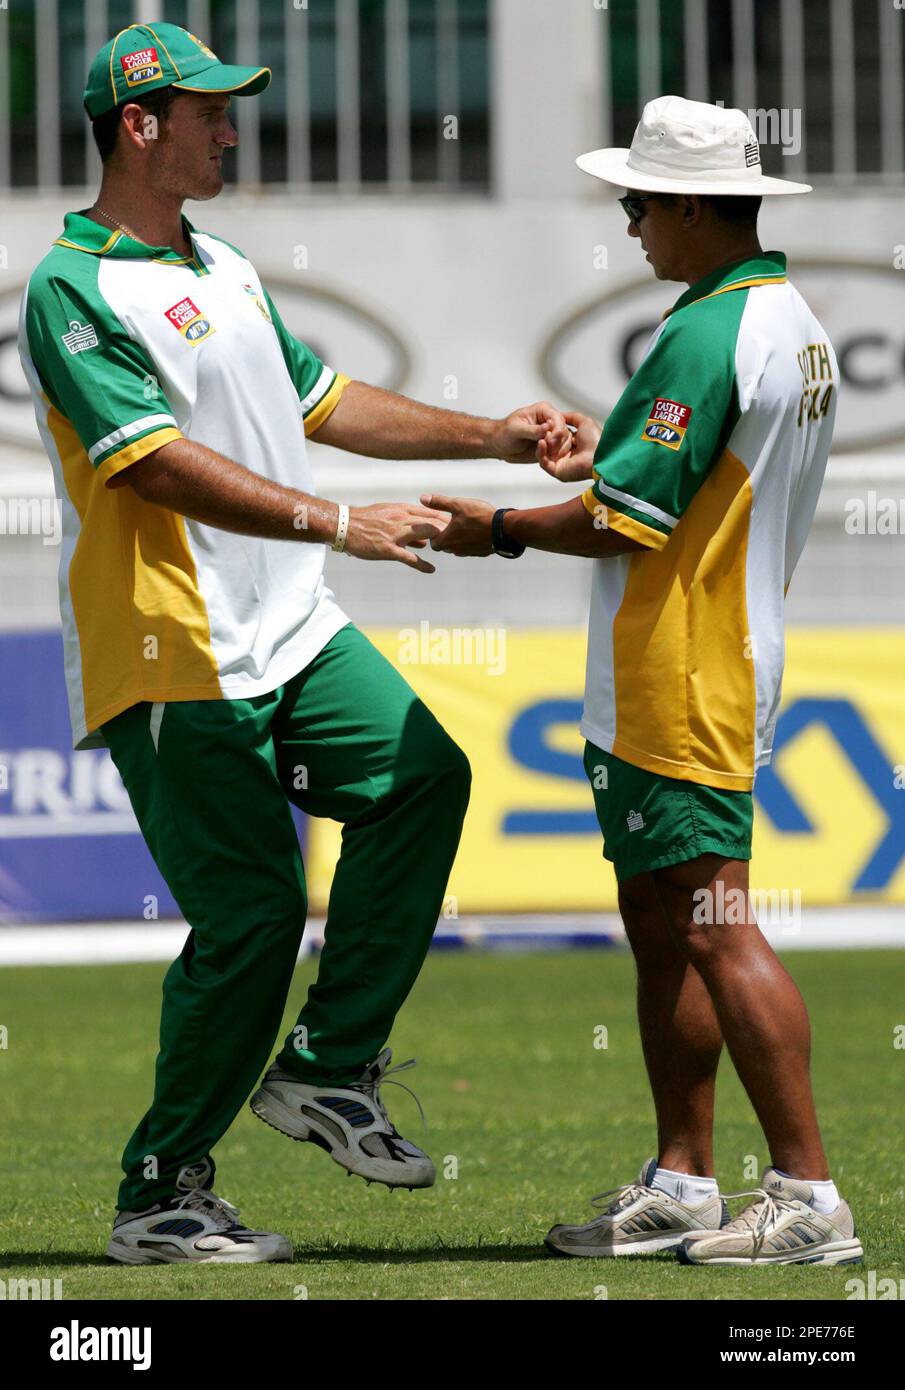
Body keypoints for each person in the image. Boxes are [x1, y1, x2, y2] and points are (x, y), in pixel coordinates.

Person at [17, 21, 570, 1266]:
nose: (232, 125)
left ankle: (325, 1067)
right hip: (174, 650)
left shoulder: (227, 266)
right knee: (254, 914)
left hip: (291, 629)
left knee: (423, 777)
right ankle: (159, 1190)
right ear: (139, 125)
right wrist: (335, 519)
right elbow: (150, 465)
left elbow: (326, 402)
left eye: (232, 106)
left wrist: (495, 433)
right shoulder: (70, 286)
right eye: (209, 109)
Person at [428, 95, 861, 1267]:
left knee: (713, 920)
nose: (626, 223)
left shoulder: (705, 330)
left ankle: (808, 1197)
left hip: (681, 659)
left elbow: (629, 515)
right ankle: (683, 1178)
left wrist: (500, 529)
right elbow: (664, 479)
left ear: (685, 202)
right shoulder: (783, 318)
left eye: (634, 201)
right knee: (665, 927)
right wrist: (595, 464)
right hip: (713, 648)